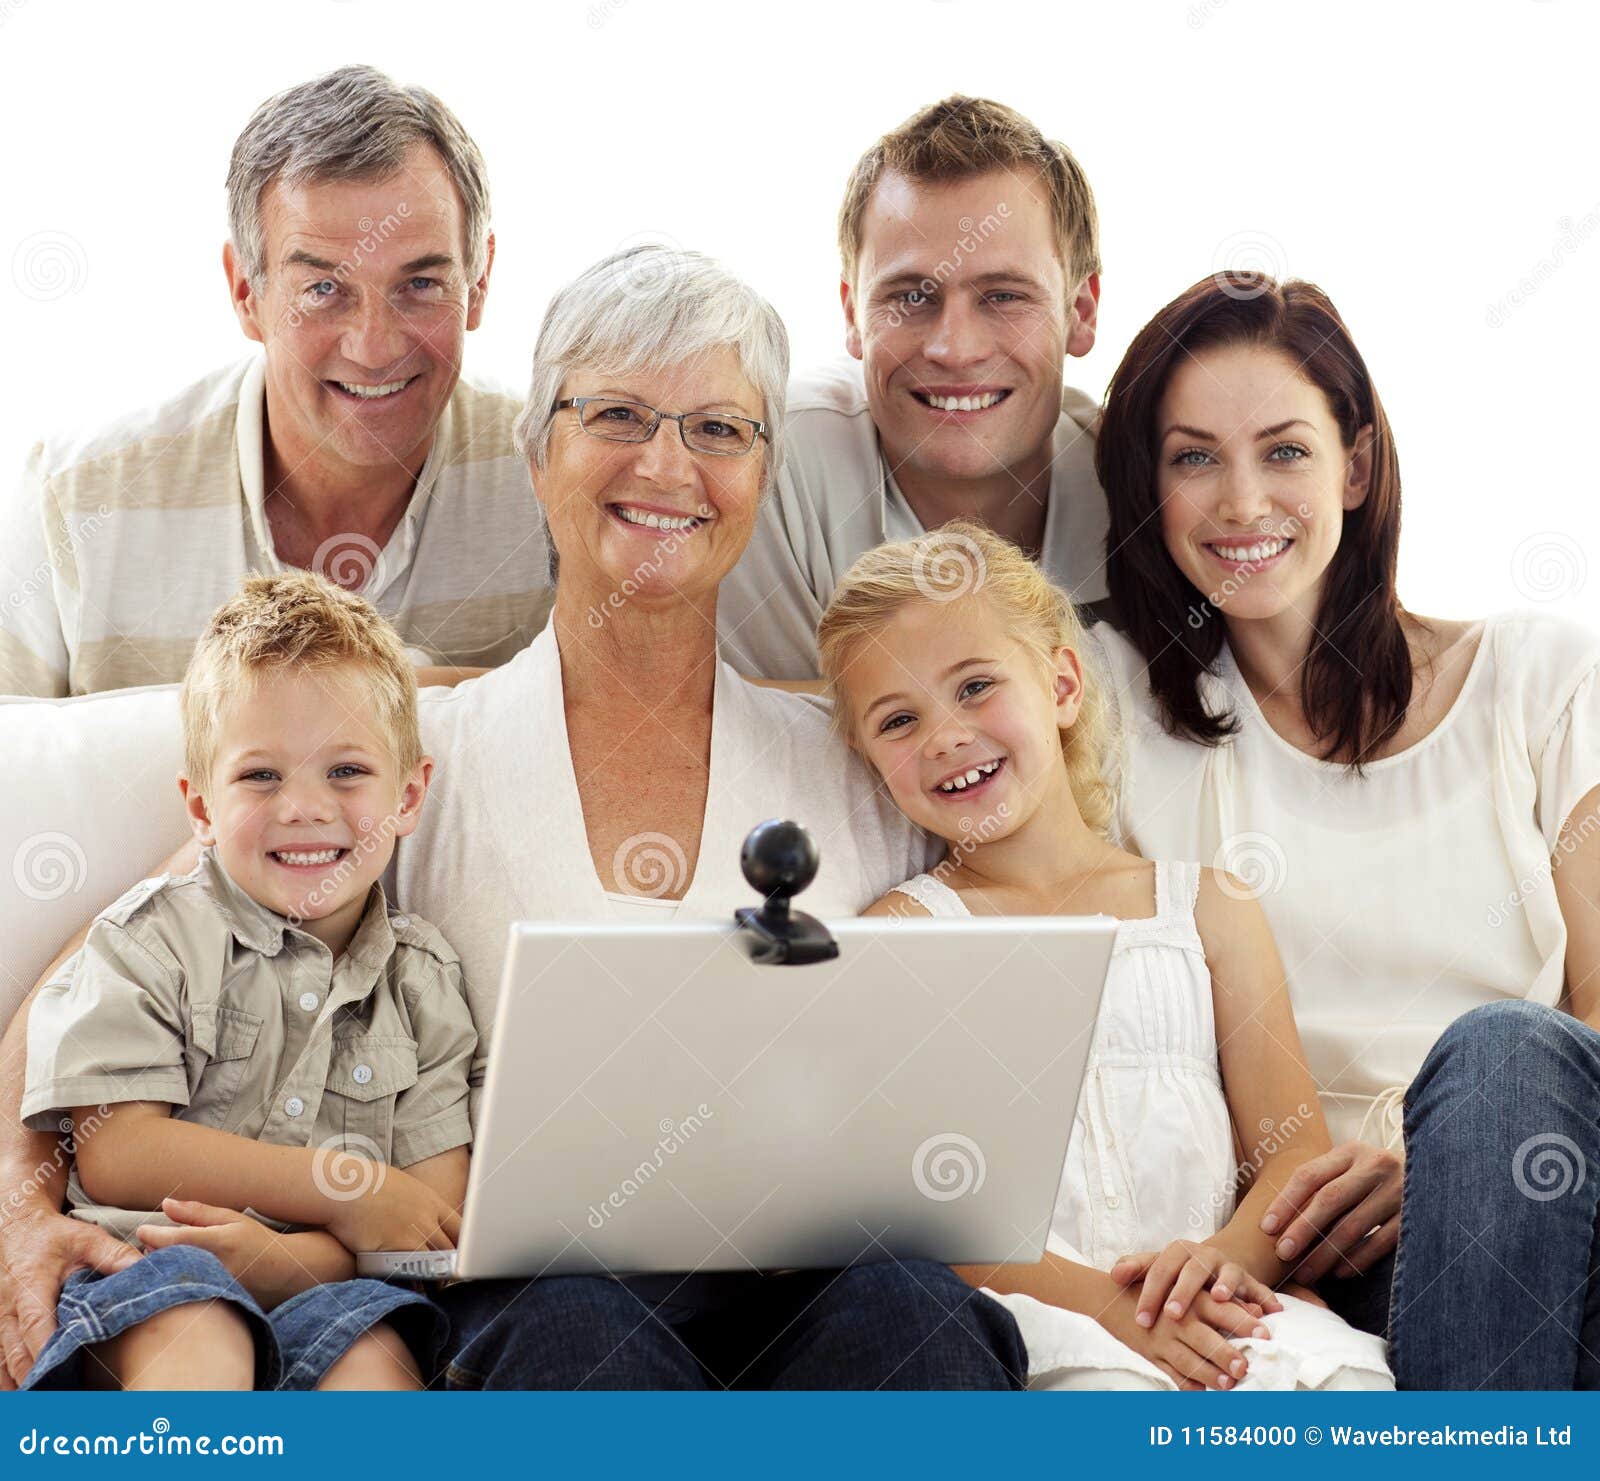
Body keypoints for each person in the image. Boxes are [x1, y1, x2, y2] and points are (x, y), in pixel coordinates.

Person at [3, 246, 1026, 1391]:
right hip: (537, 1296)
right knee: (569, 1334)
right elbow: (101, 978)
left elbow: (1025, 936)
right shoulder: (412, 755)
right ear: (538, 456)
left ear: (763, 472)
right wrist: (16, 1214)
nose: (666, 463)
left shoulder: (850, 753)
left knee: (922, 1314)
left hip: (810, 1279)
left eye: (717, 429)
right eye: (618, 415)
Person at [1088, 272, 1600, 1388]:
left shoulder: (1541, 679)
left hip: (1542, 1176)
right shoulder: (1113, 709)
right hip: (1312, 1236)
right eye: (1191, 458)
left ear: (1355, 468)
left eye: (1283, 451)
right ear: (1148, 485)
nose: (1239, 501)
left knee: (1505, 1047)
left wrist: (1443, 1163)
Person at [816, 519, 1391, 1391]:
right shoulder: (899, 935)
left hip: (1226, 1307)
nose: (944, 735)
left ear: (1062, 682)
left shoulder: (1207, 908)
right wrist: (1109, 1306)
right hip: (1054, 1326)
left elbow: (1290, 1149)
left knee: (1348, 1396)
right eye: (898, 719)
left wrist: (1216, 1267)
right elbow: (926, 1206)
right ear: (868, 759)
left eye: (975, 685)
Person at [16, 570, 475, 1390]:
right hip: (149, 1267)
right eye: (261, 776)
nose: (304, 806)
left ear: (409, 795)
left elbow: (429, 1219)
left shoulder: (426, 980)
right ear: (200, 806)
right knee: (202, 1337)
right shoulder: (148, 938)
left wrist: (294, 1259)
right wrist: (347, 1187)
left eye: (346, 772)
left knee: (375, 1364)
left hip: (339, 1288)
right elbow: (116, 1147)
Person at [0, 63, 549, 699]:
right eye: (322, 289)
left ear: (478, 283)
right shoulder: (73, 499)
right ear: (245, 292)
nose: (375, 348)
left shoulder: (563, 487)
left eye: (420, 285)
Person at [720, 95, 1107, 681]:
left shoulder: (1146, 483)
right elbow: (745, 743)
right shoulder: (765, 463)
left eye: (1003, 296)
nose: (954, 349)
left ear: (1079, 311)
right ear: (852, 315)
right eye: (911, 297)